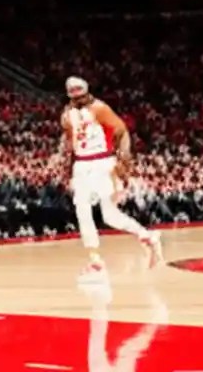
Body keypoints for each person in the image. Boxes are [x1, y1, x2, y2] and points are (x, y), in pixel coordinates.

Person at [61, 76, 163, 283]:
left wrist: (124, 159)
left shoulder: (100, 108)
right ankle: (95, 259)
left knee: (108, 215)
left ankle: (147, 236)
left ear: (86, 91)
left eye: (80, 92)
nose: (78, 96)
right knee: (82, 210)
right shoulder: (66, 115)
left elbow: (122, 131)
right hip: (82, 164)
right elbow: (71, 145)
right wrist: (68, 170)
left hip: (102, 162)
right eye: (74, 93)